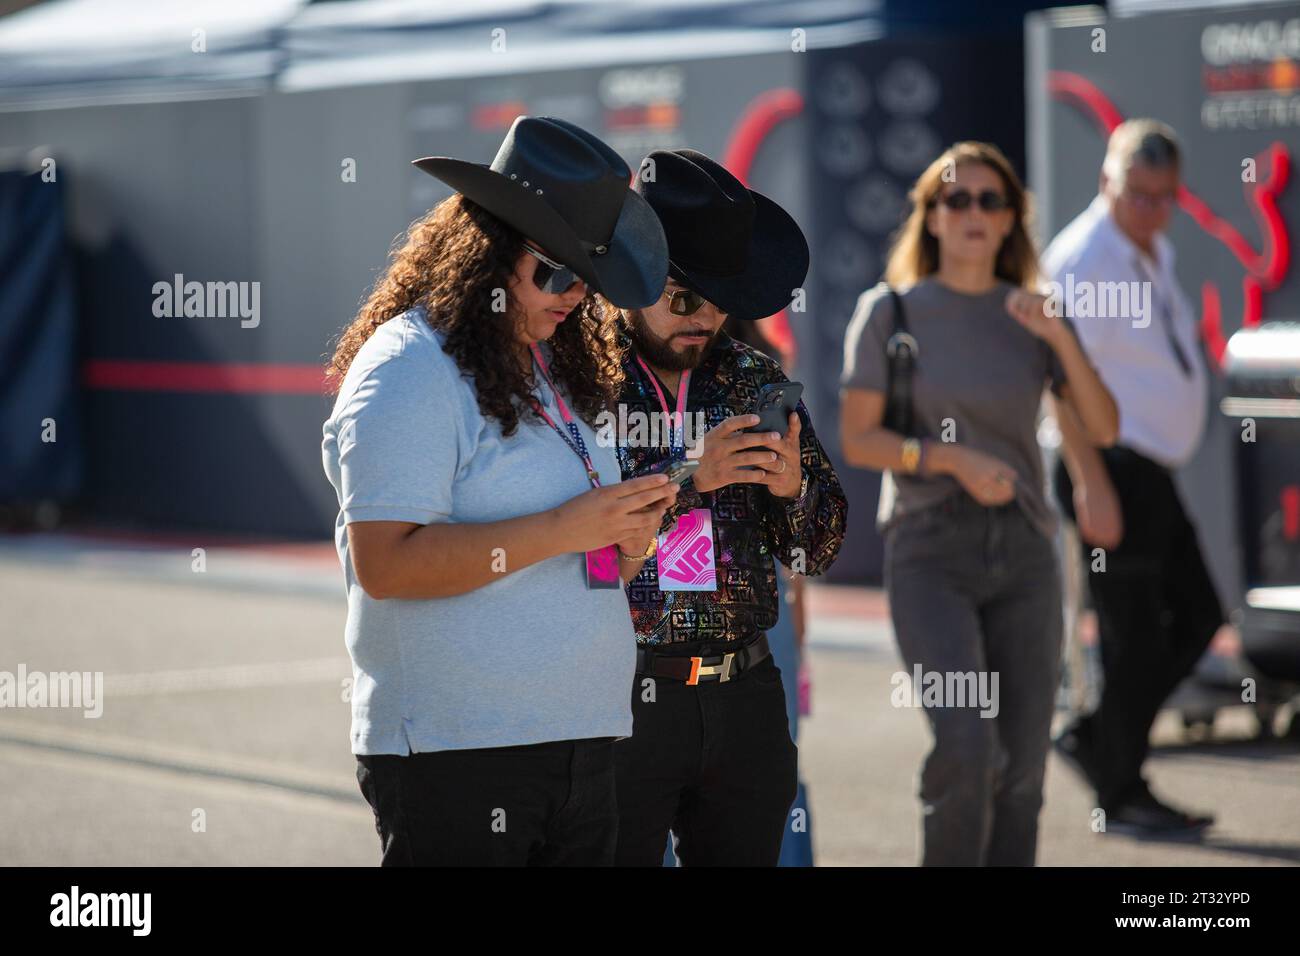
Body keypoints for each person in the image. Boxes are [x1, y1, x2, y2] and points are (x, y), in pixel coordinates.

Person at [320, 116, 676, 866]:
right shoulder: (408, 369)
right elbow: (385, 566)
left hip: (584, 744)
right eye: (554, 270)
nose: (574, 294)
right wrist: (566, 526)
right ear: (487, 249)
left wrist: (624, 548)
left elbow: (584, 568)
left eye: (587, 279)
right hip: (461, 754)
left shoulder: (556, 368)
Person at [840, 141, 1118, 866]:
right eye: (954, 199)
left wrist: (1058, 331)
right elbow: (861, 439)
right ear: (930, 217)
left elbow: (1105, 425)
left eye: (989, 201)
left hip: (1025, 551)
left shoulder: (1032, 316)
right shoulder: (888, 312)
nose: (972, 213)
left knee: (1022, 767)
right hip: (930, 550)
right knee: (967, 742)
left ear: (1009, 220)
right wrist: (949, 459)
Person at [608, 148, 848, 866]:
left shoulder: (753, 376)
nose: (702, 318)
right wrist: (691, 477)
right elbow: (573, 521)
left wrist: (793, 494)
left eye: (718, 300)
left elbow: (824, 544)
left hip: (744, 694)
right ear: (634, 282)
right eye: (682, 296)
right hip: (621, 694)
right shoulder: (581, 377)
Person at [1044, 119, 1221, 836]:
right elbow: (1057, 380)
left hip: (1145, 469)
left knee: (1197, 615)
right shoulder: (1086, 258)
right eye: (1135, 194)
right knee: (1133, 638)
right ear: (1105, 183)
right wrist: (1092, 481)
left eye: (1162, 197)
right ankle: (1120, 790)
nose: (1149, 208)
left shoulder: (1150, 249)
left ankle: (1101, 745)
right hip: (1110, 467)